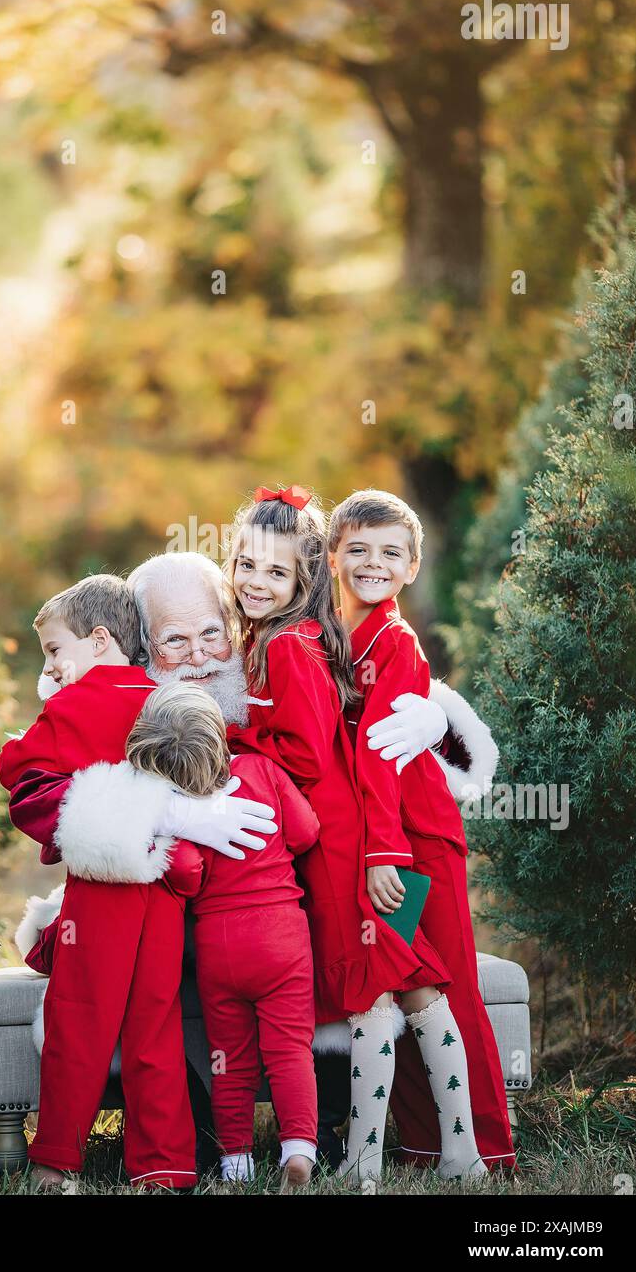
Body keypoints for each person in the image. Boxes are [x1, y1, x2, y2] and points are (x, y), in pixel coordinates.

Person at [221, 485, 484, 1181]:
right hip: (355, 834)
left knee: (379, 988)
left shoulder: (291, 646)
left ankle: (375, 1160)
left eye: (276, 572)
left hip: (348, 844)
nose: (255, 581)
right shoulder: (282, 637)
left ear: (304, 577)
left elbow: (309, 755)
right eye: (245, 565)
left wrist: (237, 738)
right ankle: (457, 1156)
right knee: (410, 982)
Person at [0, 574, 205, 1189]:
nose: (54, 668)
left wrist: (44, 713)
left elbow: (19, 769)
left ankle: (56, 1160)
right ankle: (164, 1165)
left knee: (79, 1020)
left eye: (56, 652)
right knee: (155, 1025)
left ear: (98, 638)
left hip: (102, 887)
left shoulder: (72, 706)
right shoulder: (165, 700)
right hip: (164, 888)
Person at [329, 488, 516, 1173]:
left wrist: (384, 853)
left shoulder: (396, 643)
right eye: (357, 550)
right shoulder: (333, 637)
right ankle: (417, 1142)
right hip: (379, 840)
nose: (372, 563)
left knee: (444, 983)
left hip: (412, 842)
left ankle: (484, 1147)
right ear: (332, 556)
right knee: (392, 979)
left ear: (412, 566)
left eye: (390, 553)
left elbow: (382, 755)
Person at [126, 681, 321, 1187]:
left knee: (228, 1056)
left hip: (219, 947)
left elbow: (186, 877)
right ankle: (298, 1147)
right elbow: (306, 833)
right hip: (282, 936)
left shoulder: (183, 820)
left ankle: (235, 1160)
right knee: (289, 1048)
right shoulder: (262, 770)